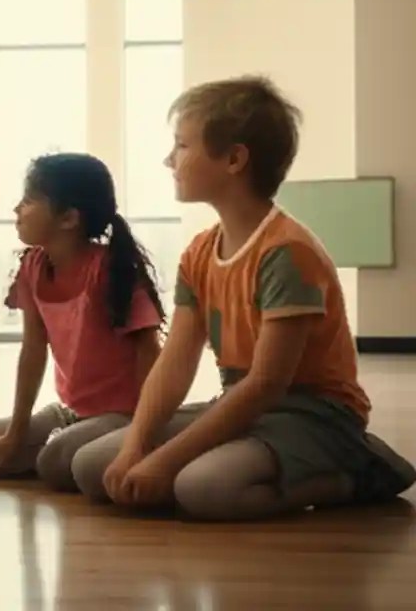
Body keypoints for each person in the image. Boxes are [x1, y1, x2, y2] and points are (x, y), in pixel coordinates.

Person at [70, 75, 416, 521]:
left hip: (315, 417)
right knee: (90, 465)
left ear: (234, 159)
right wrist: (138, 443)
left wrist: (167, 459)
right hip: (243, 408)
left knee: (202, 488)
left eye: (181, 146)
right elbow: (175, 363)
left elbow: (266, 384)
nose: (168, 160)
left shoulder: (286, 252)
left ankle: (361, 470)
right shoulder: (198, 251)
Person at [0, 153, 165, 490]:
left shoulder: (108, 271)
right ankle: (63, 447)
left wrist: (143, 432)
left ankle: (75, 452)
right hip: (72, 412)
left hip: (124, 416)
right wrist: (14, 434)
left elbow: (150, 354)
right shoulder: (32, 267)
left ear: (68, 219)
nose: (17, 209)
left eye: (29, 199)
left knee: (55, 460)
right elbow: (33, 351)